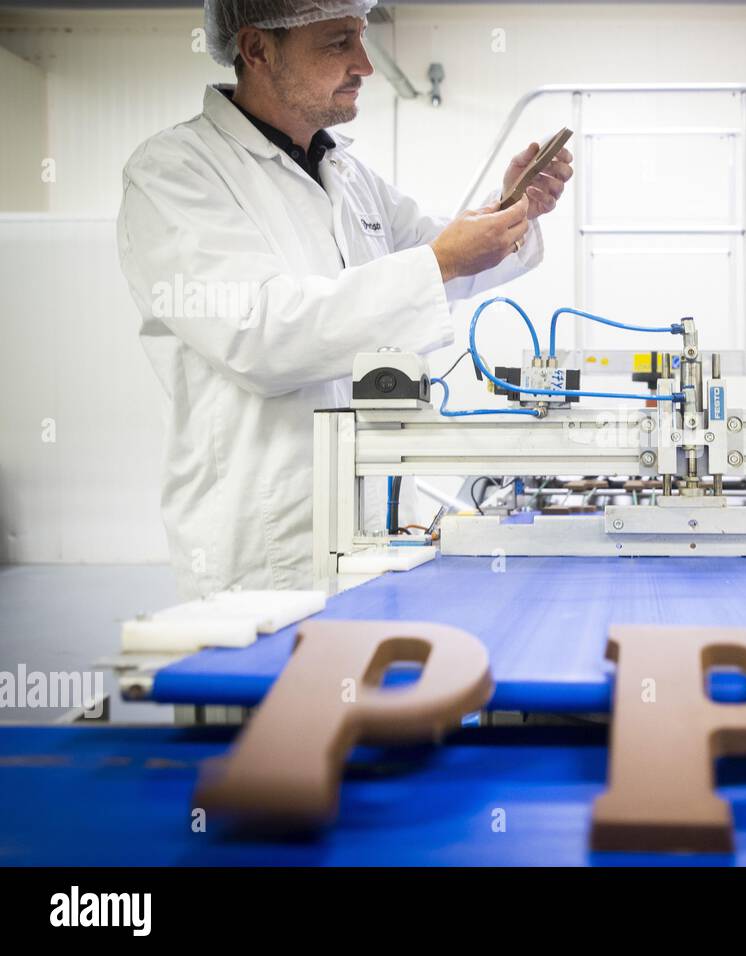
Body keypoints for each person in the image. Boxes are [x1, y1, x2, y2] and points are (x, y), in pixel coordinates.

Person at [117, 0, 571, 598]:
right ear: (256, 49)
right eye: (338, 43)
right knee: (276, 689)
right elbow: (259, 334)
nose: (365, 64)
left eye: (360, 38)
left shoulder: (345, 173)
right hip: (269, 547)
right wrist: (441, 259)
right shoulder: (175, 172)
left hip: (374, 525)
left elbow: (434, 255)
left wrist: (510, 206)